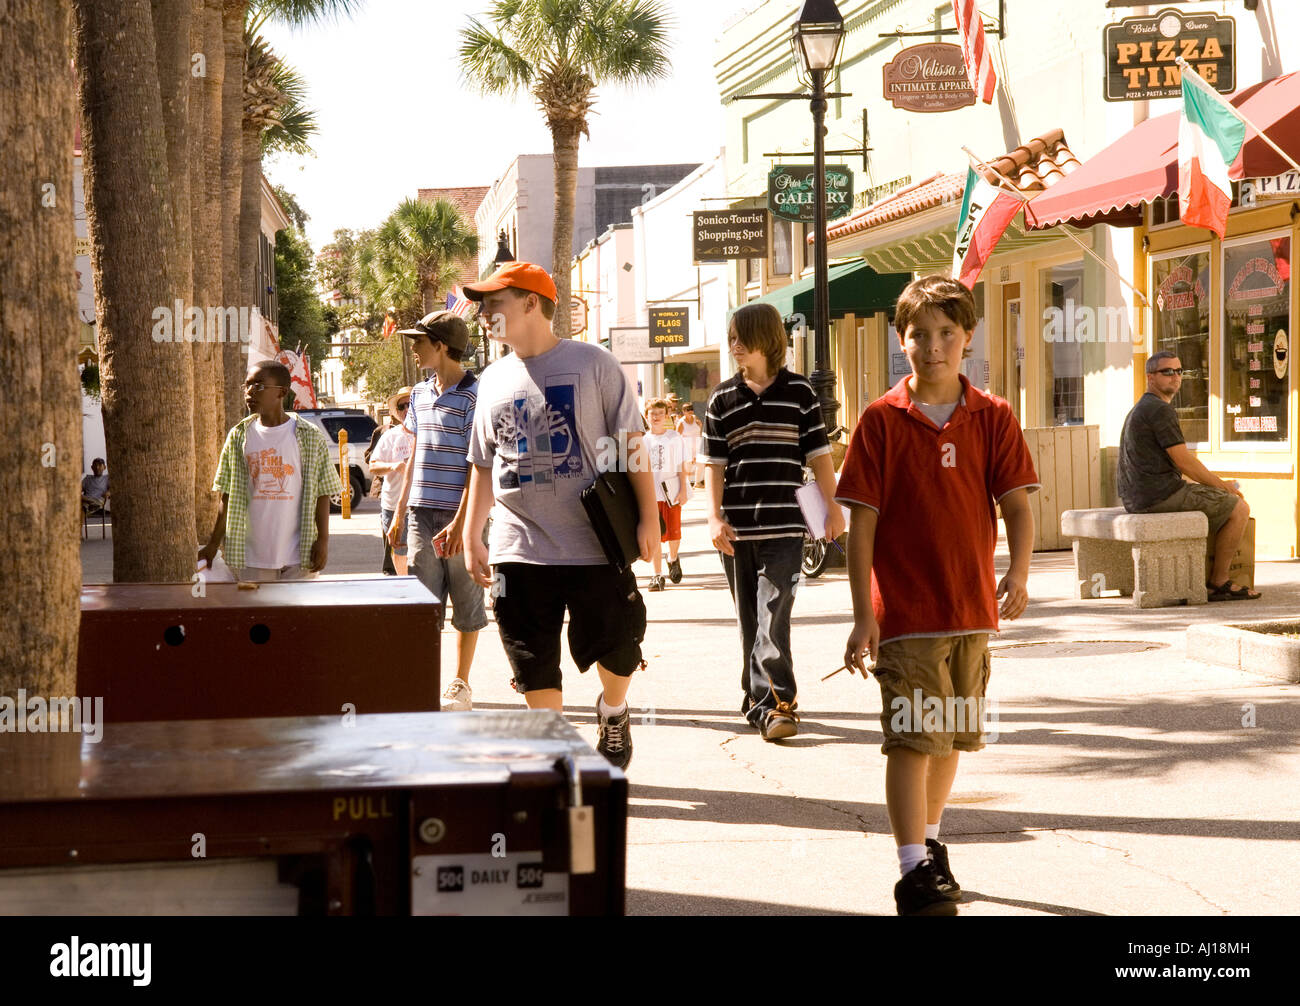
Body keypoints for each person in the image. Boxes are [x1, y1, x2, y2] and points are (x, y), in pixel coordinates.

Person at [836, 275, 1038, 916]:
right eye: (919, 335)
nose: (933, 346)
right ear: (902, 342)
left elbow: (1016, 504)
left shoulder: (994, 416)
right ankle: (910, 870)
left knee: (950, 738)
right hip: (906, 612)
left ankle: (930, 844)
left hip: (970, 607)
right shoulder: (880, 420)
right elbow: (860, 522)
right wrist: (863, 615)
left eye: (947, 333)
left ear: (968, 338)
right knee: (910, 739)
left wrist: (1021, 572)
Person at [461, 261, 656, 770]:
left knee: (617, 647)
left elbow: (631, 445)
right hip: (517, 547)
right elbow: (484, 463)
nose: (483, 315)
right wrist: (472, 533)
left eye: (493, 303)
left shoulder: (594, 364)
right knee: (532, 661)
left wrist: (650, 519)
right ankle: (557, 763)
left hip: (595, 542)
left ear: (530, 303)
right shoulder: (490, 380)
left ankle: (613, 710)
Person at [701, 301, 845, 742]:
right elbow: (714, 466)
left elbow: (819, 456)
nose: (735, 345)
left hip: (785, 528)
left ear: (767, 338)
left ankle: (779, 702)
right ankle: (758, 702)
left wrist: (833, 506)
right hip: (737, 530)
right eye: (731, 338)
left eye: (742, 336)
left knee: (772, 612)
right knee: (750, 619)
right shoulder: (722, 399)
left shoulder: (801, 393)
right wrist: (712, 517)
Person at [386, 312, 487, 712]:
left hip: (460, 516)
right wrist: (398, 511)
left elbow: (476, 464)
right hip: (419, 513)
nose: (413, 347)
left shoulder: (473, 396)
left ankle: (461, 683)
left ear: (441, 345)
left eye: (420, 340)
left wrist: (464, 521)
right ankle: (424, 679)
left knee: (466, 601)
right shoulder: (419, 394)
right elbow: (415, 453)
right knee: (422, 605)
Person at [1117, 351, 1259, 601]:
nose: (1176, 377)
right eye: (1167, 371)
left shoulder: (1142, 408)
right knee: (1238, 508)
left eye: (1180, 371)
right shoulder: (1159, 410)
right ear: (1150, 377)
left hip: (1139, 497)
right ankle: (1219, 581)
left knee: (1214, 498)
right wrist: (1223, 486)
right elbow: (1185, 462)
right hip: (1158, 497)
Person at [199, 361, 342, 581]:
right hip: (251, 556)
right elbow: (227, 495)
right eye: (247, 385)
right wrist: (213, 544)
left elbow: (323, 492)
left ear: (282, 392)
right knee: (259, 615)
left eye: (259, 386)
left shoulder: (309, 436)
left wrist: (323, 540)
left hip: (298, 554)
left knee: (296, 615)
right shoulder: (239, 436)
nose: (250, 392)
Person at [643, 397, 688, 590]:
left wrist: (684, 489)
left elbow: (681, 465)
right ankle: (657, 575)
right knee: (655, 536)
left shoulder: (674, 438)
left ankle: (673, 558)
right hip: (650, 494)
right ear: (646, 416)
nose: (656, 417)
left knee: (673, 534)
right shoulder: (643, 441)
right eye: (653, 414)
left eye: (660, 413)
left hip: (671, 491)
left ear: (666, 415)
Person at [369, 387, 413, 576]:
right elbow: (373, 465)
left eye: (410, 404)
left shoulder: (429, 433)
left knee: (425, 557)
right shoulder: (390, 436)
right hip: (393, 506)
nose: (406, 409)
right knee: (399, 554)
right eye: (401, 406)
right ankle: (406, 594)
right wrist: (394, 466)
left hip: (422, 507)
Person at [676, 403, 703, 486]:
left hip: (697, 442)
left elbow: (699, 430)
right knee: (688, 464)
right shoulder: (681, 422)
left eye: (691, 409)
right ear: (684, 411)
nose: (690, 411)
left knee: (700, 462)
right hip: (687, 444)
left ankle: (697, 482)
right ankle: (686, 483)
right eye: (688, 409)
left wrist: (700, 425)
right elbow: (677, 436)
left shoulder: (695, 418)